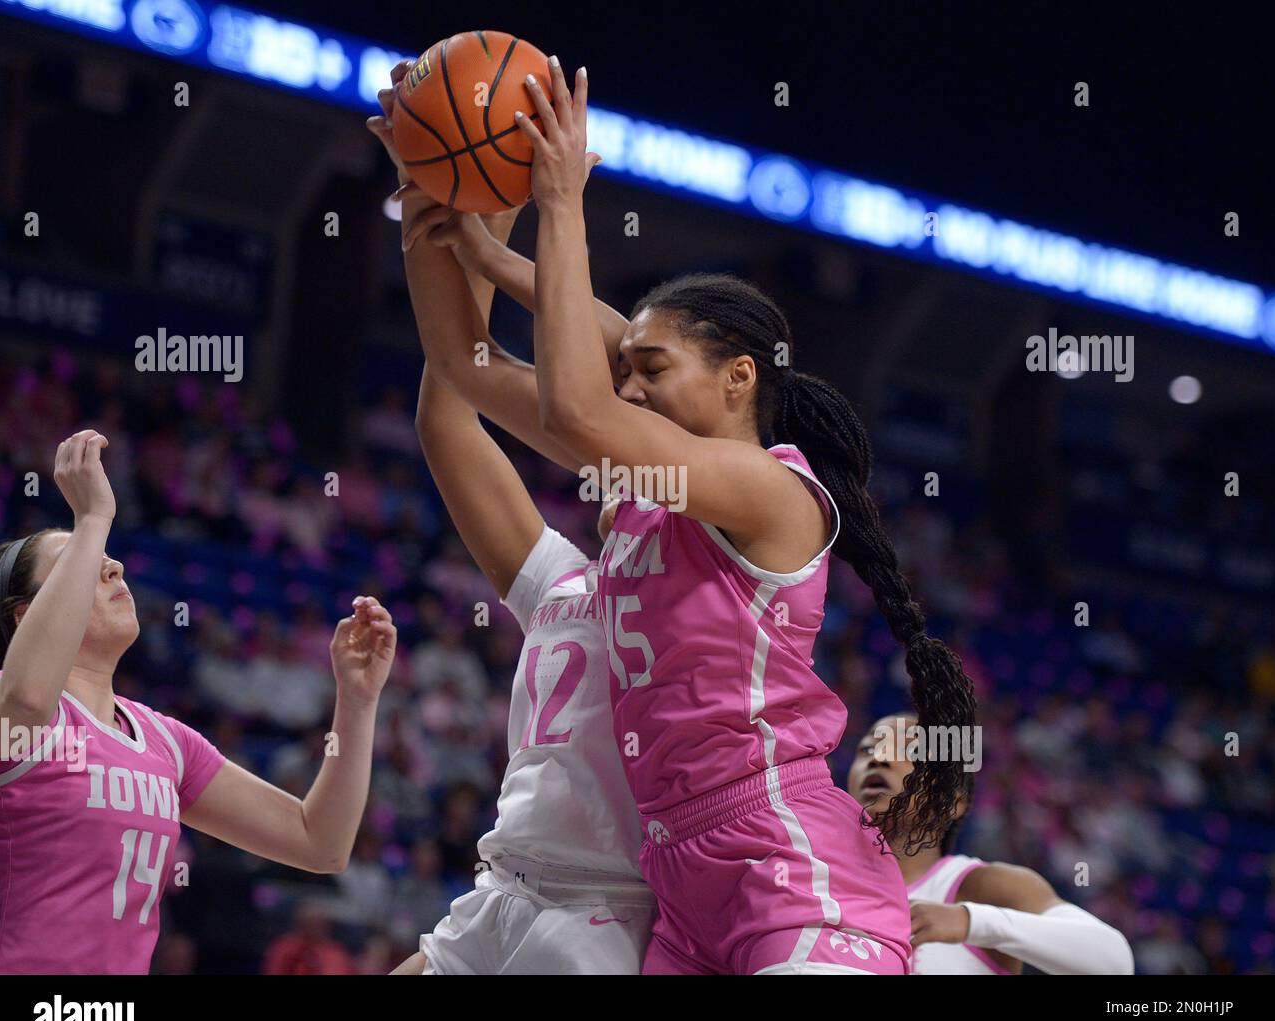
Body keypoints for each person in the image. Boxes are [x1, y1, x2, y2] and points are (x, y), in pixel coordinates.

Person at [393, 58, 978, 974]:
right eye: (626, 370)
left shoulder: (773, 488)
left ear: (741, 376)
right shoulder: (639, 504)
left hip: (788, 860)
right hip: (681, 885)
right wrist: (434, 205)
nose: (629, 388)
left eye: (651, 372)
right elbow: (463, 371)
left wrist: (558, 204)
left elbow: (576, 408)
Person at [369, 62, 655, 975]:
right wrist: (450, 202)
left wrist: (535, 213)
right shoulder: (563, 580)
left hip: (608, 910)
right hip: (502, 888)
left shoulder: (718, 542)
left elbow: (611, 372)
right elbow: (449, 408)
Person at [0, 430, 396, 974]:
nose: (113, 567)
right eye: (80, 564)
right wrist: (90, 519)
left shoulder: (167, 742)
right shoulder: (1, 702)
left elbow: (319, 843)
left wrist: (357, 701)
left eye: (107, 556)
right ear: (23, 616)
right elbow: (30, 696)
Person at [848, 713, 1134, 974]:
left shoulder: (979, 887)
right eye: (867, 750)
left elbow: (1114, 963)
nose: (880, 758)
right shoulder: (809, 882)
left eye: (909, 751)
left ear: (953, 802)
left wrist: (971, 922)